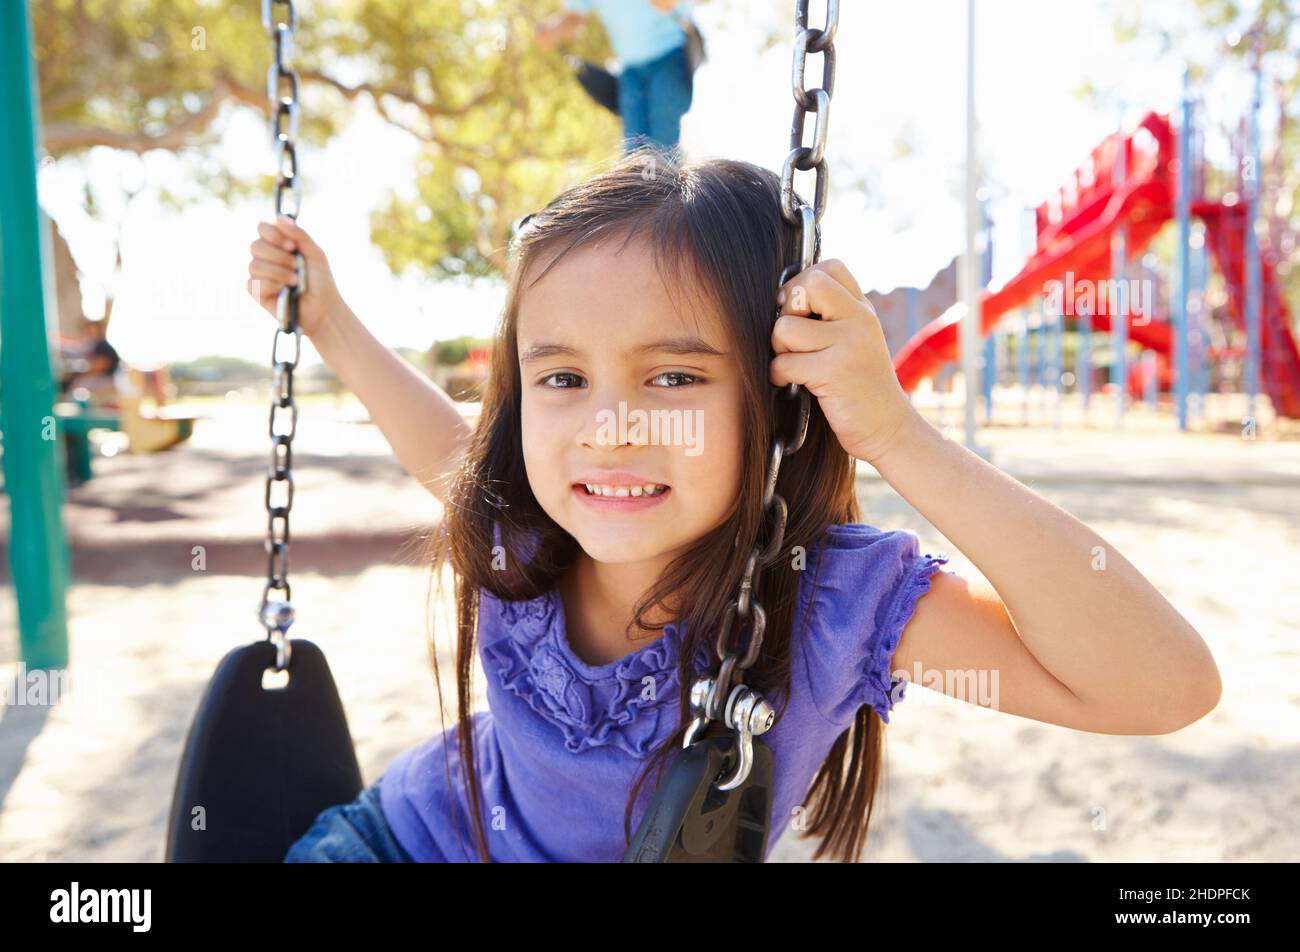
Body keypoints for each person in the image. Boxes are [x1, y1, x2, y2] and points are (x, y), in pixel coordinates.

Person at [245, 149, 1221, 863]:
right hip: (394, 843)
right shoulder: (529, 538)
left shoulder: (830, 604)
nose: (609, 427)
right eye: (563, 377)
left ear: (779, 390)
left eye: (672, 377)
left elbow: (1159, 685)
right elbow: (439, 446)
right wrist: (328, 322)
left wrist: (893, 436)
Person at [535, 0, 696, 158]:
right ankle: (639, 184)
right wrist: (550, 31)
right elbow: (574, 16)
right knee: (633, 152)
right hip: (630, 71)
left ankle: (666, 183)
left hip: (669, 58)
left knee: (663, 148)